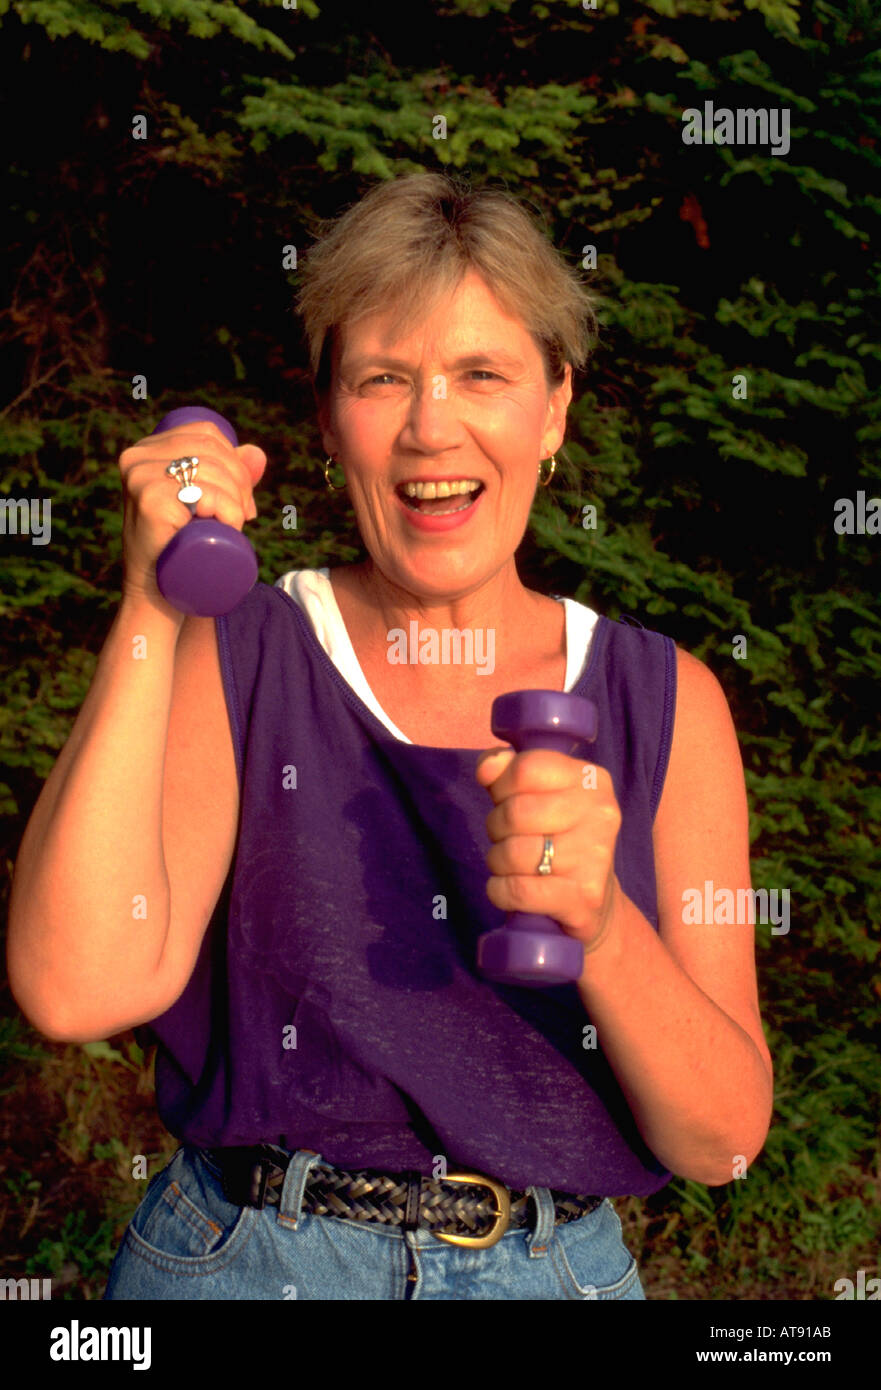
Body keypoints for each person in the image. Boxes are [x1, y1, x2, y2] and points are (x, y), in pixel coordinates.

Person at [7, 172, 773, 1301]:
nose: (429, 425)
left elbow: (722, 1143)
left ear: (553, 407)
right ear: (327, 417)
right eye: (382, 377)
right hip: (246, 1258)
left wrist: (603, 928)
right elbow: (75, 989)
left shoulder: (664, 698)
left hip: (551, 1275)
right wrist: (150, 607)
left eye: (481, 374)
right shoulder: (242, 650)